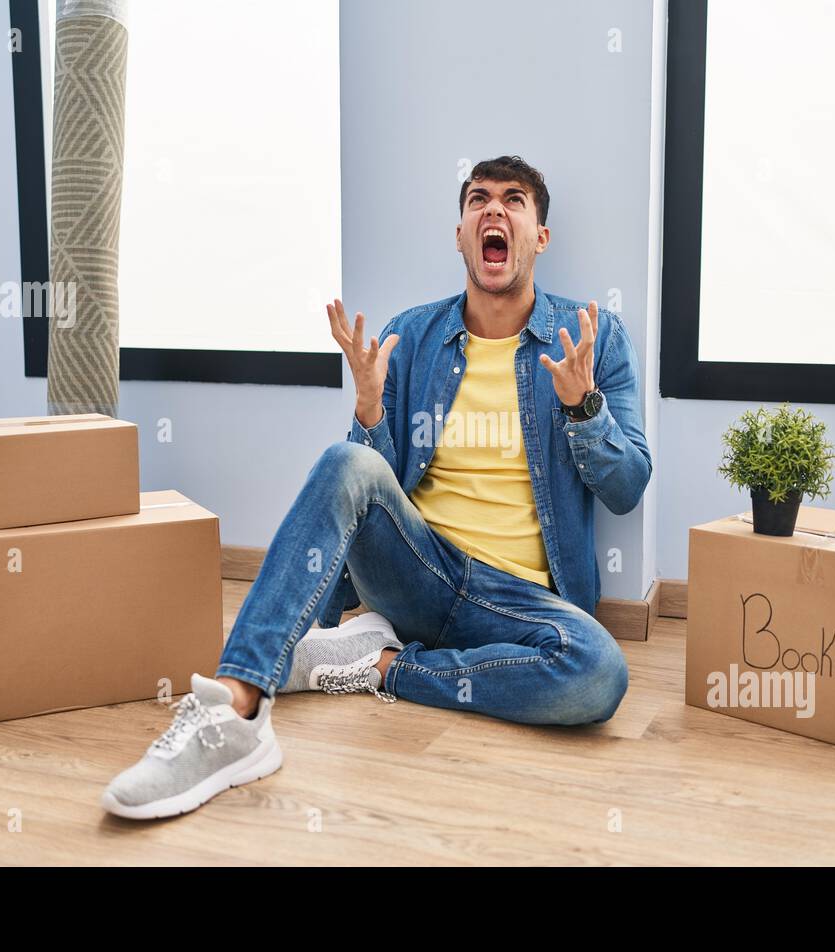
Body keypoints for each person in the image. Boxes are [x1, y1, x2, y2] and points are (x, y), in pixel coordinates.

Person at [101, 156, 652, 819]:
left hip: (522, 604)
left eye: (515, 200)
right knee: (346, 460)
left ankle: (380, 665)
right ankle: (236, 710)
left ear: (540, 236)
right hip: (421, 573)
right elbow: (367, 490)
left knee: (600, 674)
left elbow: (626, 488)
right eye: (479, 199)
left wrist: (583, 408)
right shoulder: (414, 335)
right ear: (460, 234)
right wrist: (368, 415)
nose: (494, 210)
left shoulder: (591, 339)